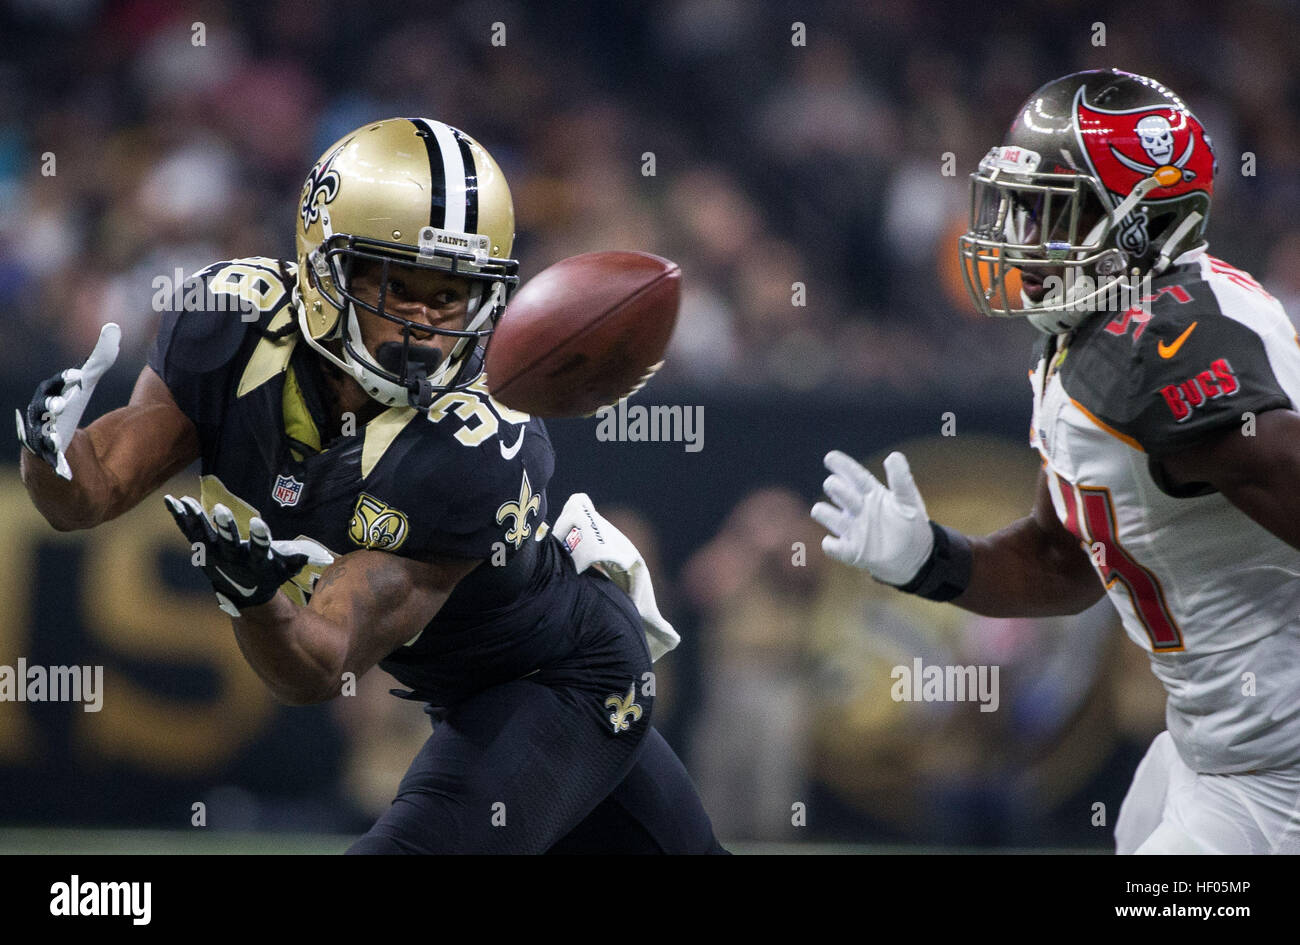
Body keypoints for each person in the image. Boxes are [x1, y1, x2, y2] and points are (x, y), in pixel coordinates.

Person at [17, 117, 723, 854]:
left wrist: (258, 602)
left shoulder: (475, 444)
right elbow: (91, 491)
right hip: (478, 689)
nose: (423, 322)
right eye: (399, 284)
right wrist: (49, 456)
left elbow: (321, 660)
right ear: (325, 269)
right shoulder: (232, 321)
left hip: (565, 681)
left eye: (450, 295)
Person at [812, 70, 1300, 854]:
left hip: (1278, 776)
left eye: (1052, 213)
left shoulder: (1173, 352)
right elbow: (1060, 561)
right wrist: (929, 559)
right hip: (1208, 752)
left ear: (1144, 225)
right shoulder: (1107, 334)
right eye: (1022, 207)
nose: (1023, 237)